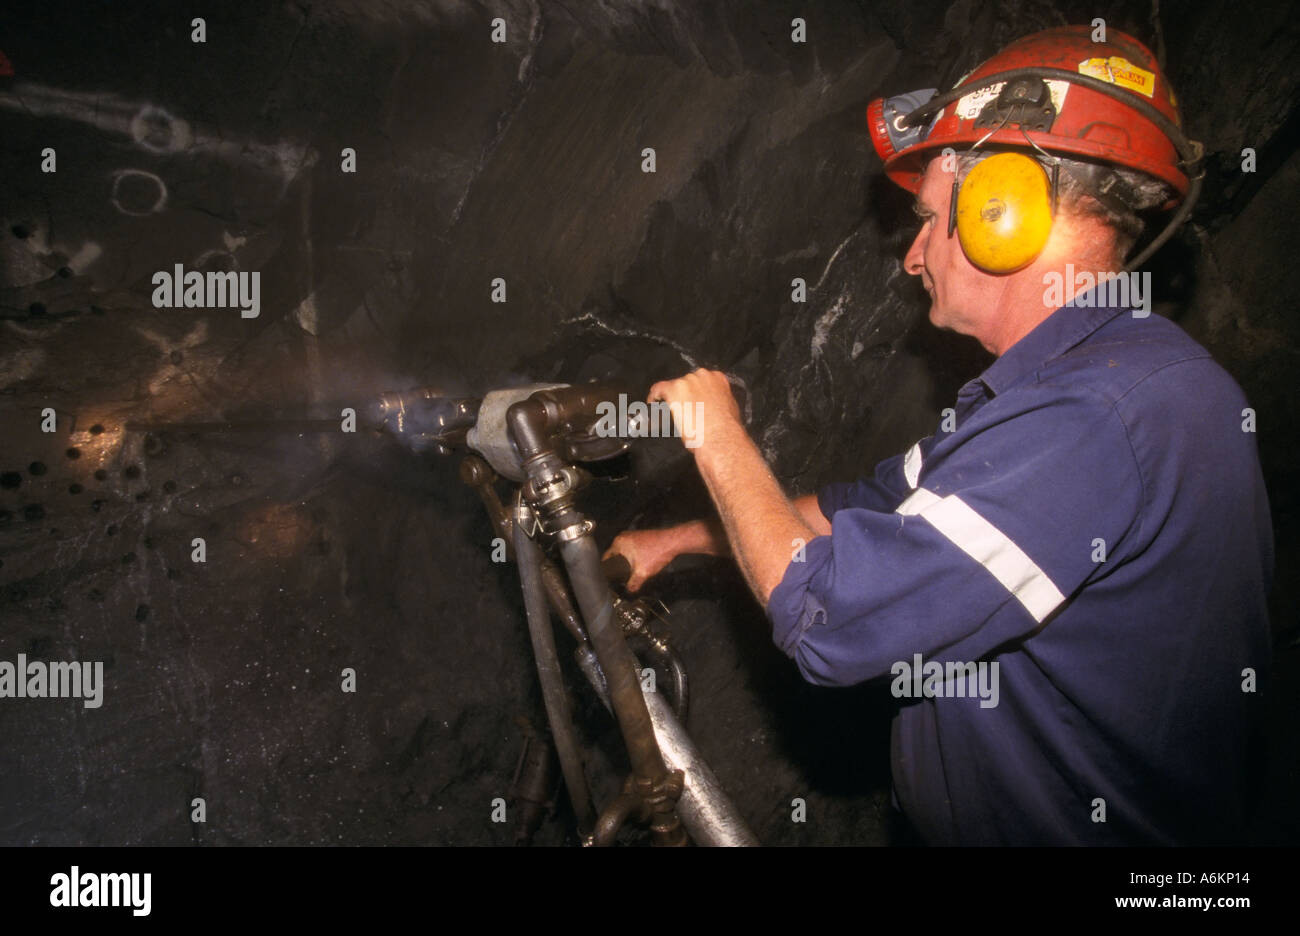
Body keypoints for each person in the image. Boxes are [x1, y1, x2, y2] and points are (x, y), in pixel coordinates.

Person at [604, 25, 1273, 845]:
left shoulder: (1102, 416)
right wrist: (676, 540)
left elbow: (829, 619)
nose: (912, 257)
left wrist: (716, 434)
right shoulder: (1062, 389)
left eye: (925, 221)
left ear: (1003, 212)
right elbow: (864, 505)